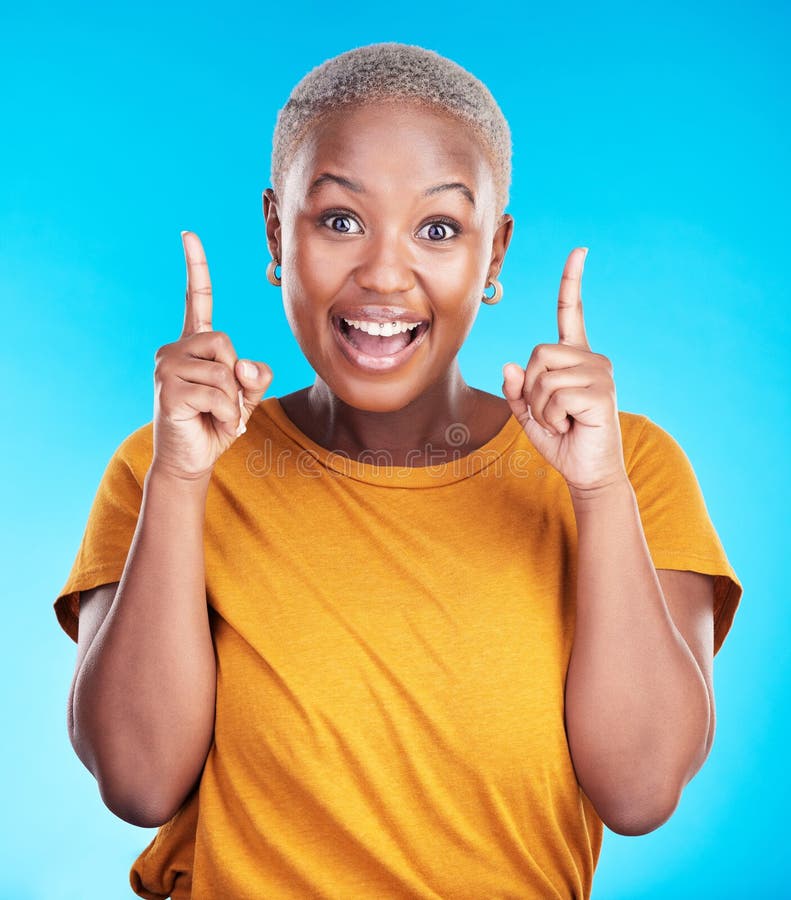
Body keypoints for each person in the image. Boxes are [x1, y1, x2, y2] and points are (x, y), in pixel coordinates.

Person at [54, 42, 742, 899]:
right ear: (277, 232)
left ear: (493, 256)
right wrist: (180, 482)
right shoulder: (169, 460)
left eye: (440, 228)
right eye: (340, 220)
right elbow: (137, 781)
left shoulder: (627, 465)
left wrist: (597, 493)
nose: (383, 273)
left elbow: (640, 793)